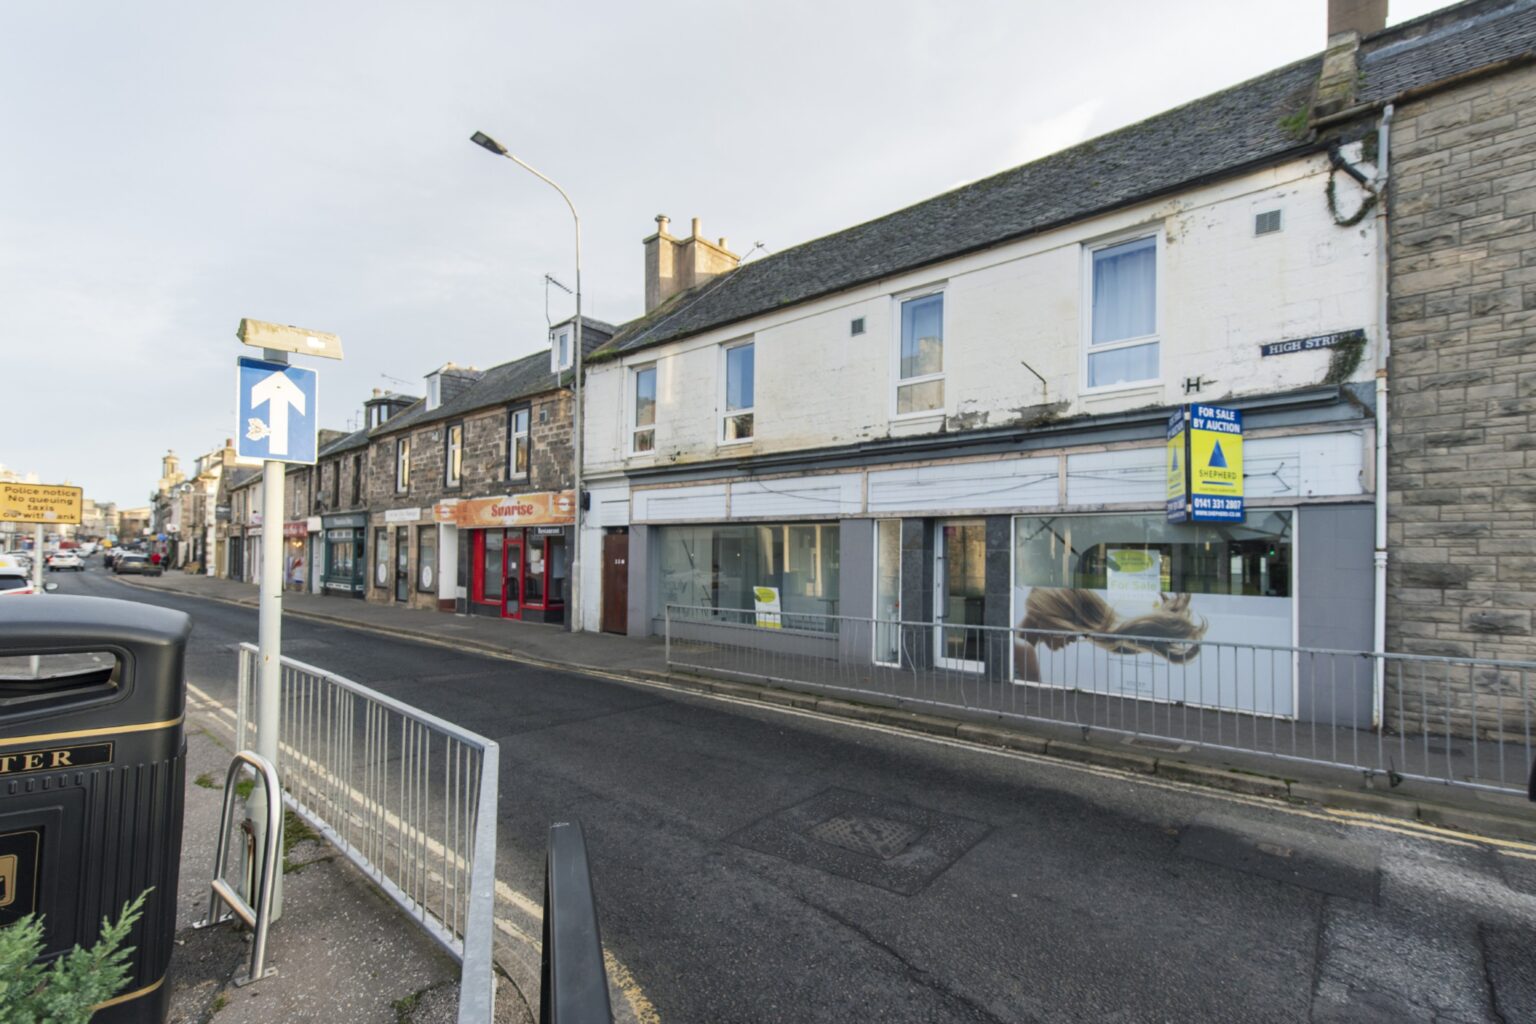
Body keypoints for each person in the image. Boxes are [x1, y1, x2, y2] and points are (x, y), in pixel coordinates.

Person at [1013, 588, 1208, 683]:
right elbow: (1031, 700)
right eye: (1074, 632)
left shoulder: (1017, 643)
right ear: (1055, 619)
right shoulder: (1023, 649)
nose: (1073, 640)